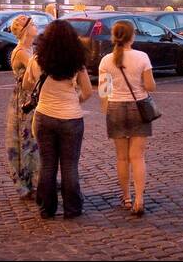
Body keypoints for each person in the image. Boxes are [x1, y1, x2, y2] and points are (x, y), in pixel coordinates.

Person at [24, 19, 93, 219]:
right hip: (71, 117)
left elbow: (28, 85)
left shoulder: (36, 60)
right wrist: (74, 100)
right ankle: (72, 208)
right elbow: (88, 92)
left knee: (47, 164)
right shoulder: (75, 62)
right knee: (70, 165)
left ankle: (47, 208)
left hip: (44, 116)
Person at [98, 19, 156, 216]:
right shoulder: (142, 57)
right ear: (132, 36)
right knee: (137, 157)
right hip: (137, 108)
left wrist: (106, 111)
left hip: (115, 107)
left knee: (122, 158)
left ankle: (127, 198)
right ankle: (140, 198)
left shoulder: (106, 60)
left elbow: (104, 91)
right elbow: (150, 86)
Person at [5, 14, 40, 198]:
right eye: (33, 24)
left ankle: (37, 178)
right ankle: (28, 183)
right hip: (25, 100)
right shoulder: (21, 52)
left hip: (31, 96)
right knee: (26, 140)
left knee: (34, 140)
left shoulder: (30, 48)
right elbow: (37, 71)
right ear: (26, 30)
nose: (36, 26)